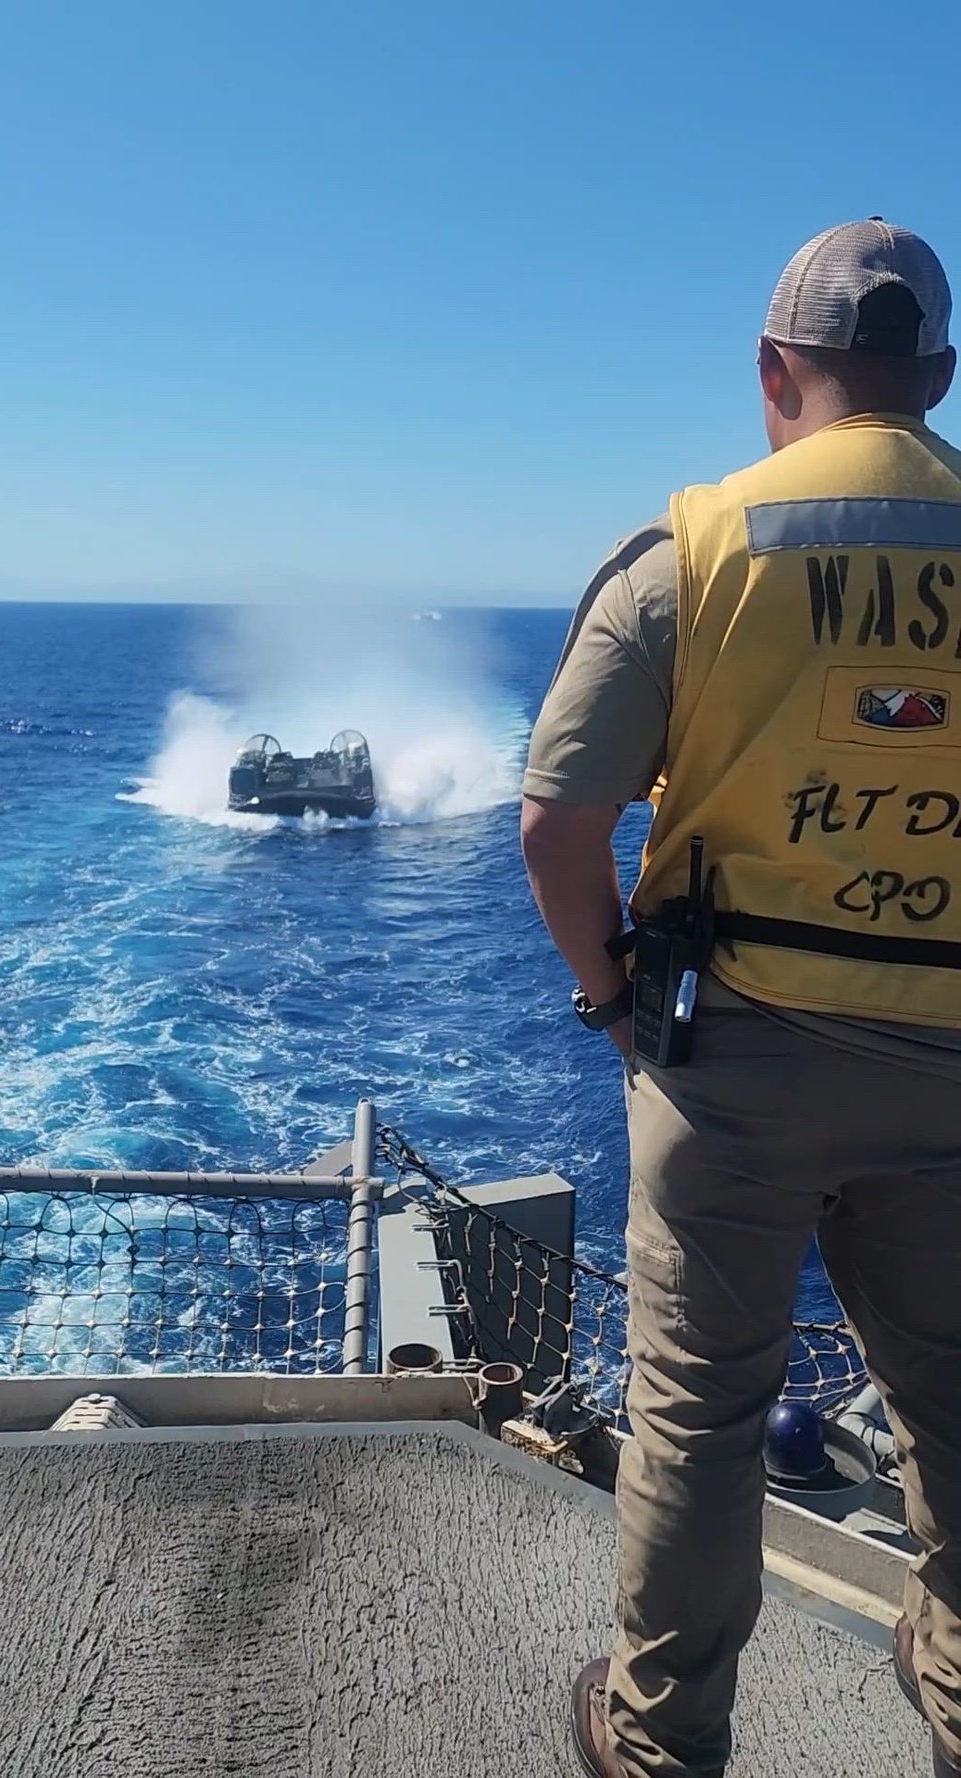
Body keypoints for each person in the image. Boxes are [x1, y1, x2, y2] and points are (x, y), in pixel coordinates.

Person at [520, 219, 961, 1778]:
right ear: (943, 378)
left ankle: (659, 1741)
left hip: (733, 1068)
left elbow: (559, 823)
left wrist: (606, 994)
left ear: (777, 374)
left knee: (700, 1427)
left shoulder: (691, 554)